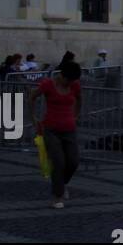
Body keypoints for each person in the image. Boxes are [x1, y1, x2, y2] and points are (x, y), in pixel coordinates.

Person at [28, 59, 82, 209]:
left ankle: (62, 184)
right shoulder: (48, 84)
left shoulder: (75, 85)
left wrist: (76, 116)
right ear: (62, 76)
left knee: (73, 161)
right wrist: (33, 117)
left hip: (69, 129)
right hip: (51, 129)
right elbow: (32, 96)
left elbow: (79, 99)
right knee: (58, 161)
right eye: (69, 80)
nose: (70, 83)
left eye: (73, 81)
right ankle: (57, 196)